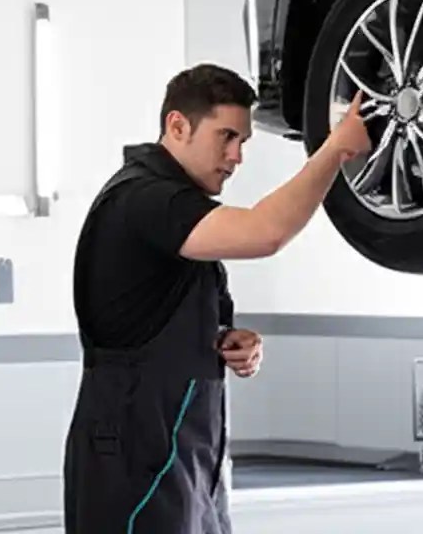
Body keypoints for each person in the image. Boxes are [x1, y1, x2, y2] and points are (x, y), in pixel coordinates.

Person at [62, 62, 371, 533]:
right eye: (226, 136)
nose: (236, 156)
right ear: (177, 126)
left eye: (242, 142)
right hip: (136, 457)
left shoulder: (173, 209)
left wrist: (223, 338)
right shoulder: (145, 200)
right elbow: (265, 233)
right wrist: (335, 149)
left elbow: (150, 313)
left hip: (185, 454)